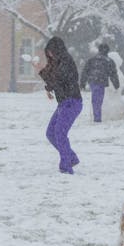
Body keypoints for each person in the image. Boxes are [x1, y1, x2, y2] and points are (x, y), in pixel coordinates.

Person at [34, 36, 83, 174]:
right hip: (63, 103)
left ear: (57, 50)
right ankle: (71, 157)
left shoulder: (66, 62)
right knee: (51, 133)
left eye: (51, 52)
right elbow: (54, 80)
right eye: (48, 53)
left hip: (72, 102)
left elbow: (58, 80)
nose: (50, 55)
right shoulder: (57, 63)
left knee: (60, 133)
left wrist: (42, 72)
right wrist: (48, 87)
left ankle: (66, 167)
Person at [79, 43, 120, 122]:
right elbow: (113, 74)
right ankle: (97, 118)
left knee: (96, 99)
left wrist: (82, 83)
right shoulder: (109, 61)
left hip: (92, 81)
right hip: (101, 81)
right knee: (98, 100)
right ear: (107, 51)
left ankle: (97, 117)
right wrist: (116, 85)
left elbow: (85, 71)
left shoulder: (92, 59)